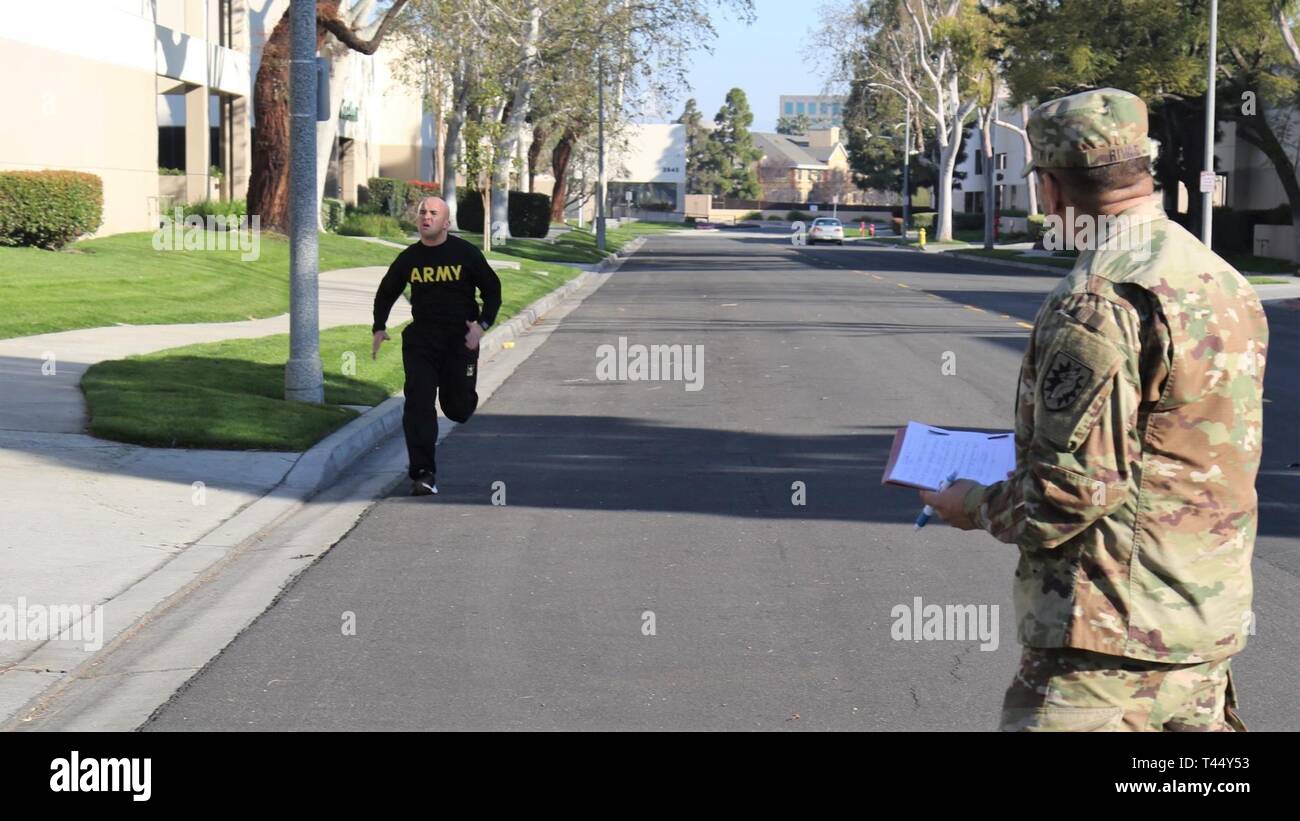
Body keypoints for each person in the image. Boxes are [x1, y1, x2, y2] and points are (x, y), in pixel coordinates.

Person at [919, 88, 1269, 731]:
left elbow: (1071, 491)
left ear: (1050, 191)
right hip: (1201, 625)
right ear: (1145, 169)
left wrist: (968, 502)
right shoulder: (1218, 277)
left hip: (1108, 650)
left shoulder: (1098, 297)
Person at [372, 196, 502, 496]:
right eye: (422, 213)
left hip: (460, 339)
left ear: (446, 223)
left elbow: (493, 290)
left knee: (457, 409)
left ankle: (460, 397)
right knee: (418, 402)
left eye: (433, 213)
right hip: (422, 340)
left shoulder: (465, 253)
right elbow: (387, 291)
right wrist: (379, 326)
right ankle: (423, 473)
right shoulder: (409, 258)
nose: (426, 217)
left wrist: (481, 326)